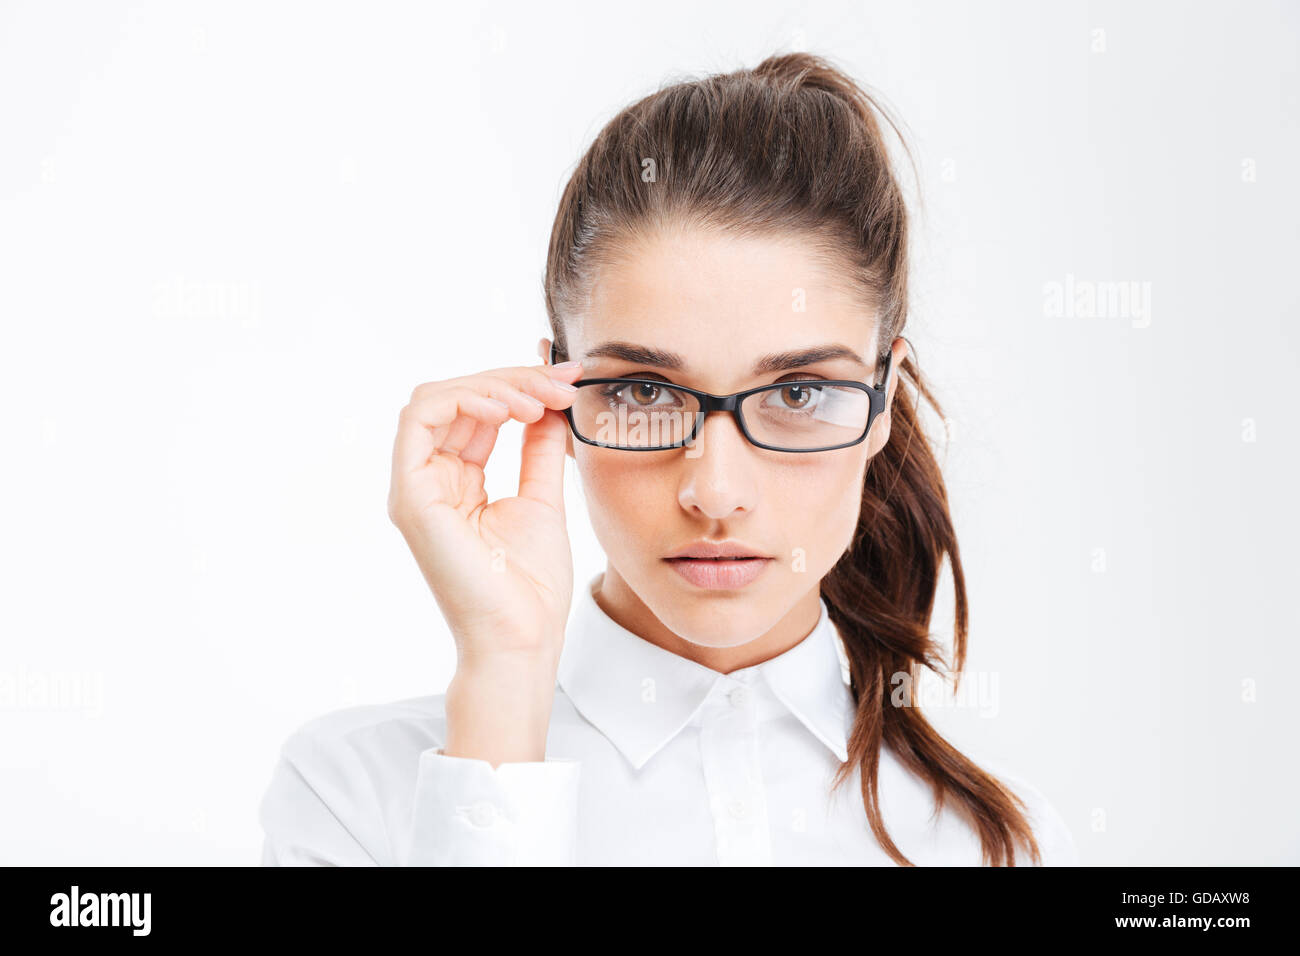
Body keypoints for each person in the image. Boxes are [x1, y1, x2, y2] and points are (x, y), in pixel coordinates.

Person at [258, 51, 1079, 866]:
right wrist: (504, 682)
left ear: (882, 400)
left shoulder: (1001, 844)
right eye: (646, 393)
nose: (715, 493)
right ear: (556, 395)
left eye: (797, 394)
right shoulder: (356, 797)